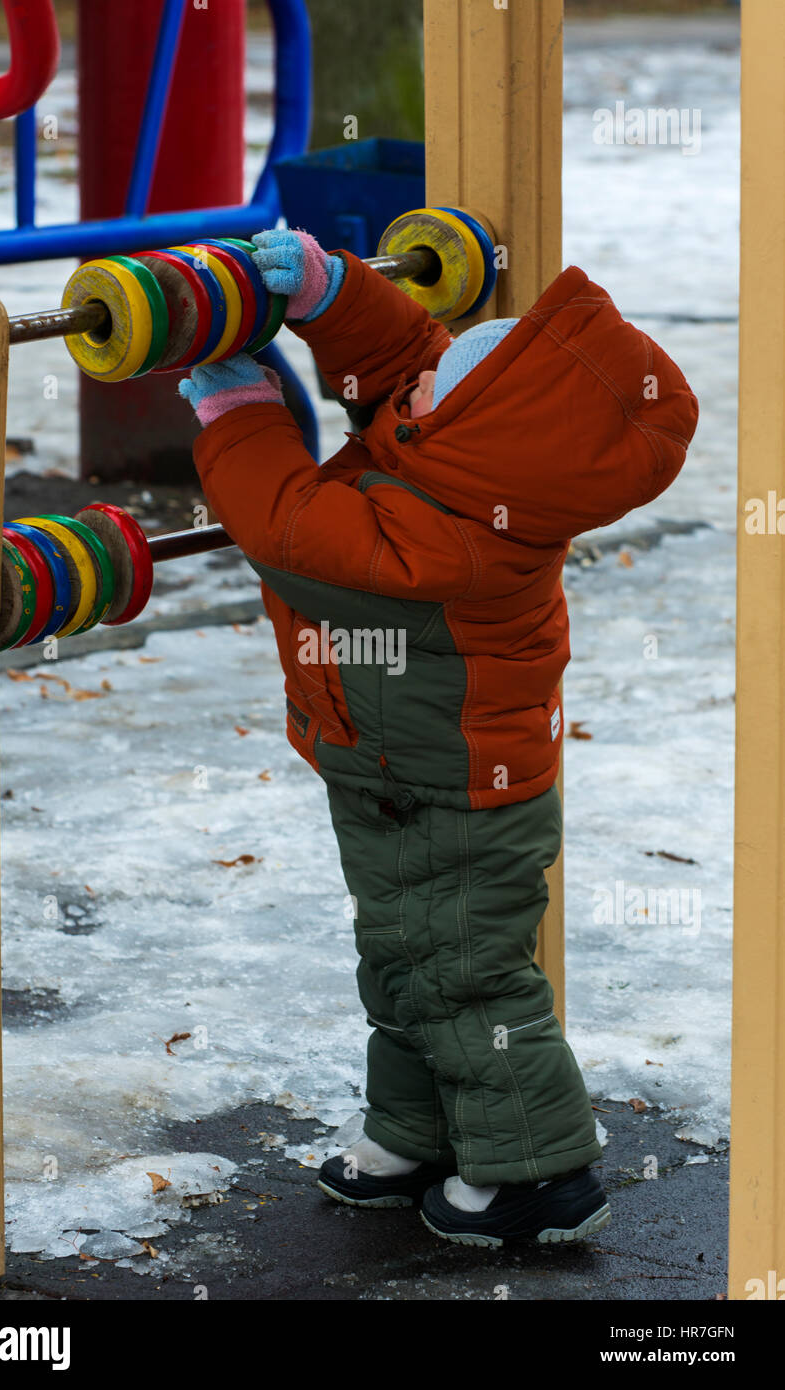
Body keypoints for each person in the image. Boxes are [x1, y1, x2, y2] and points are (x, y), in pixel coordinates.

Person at [178, 229, 699, 1247]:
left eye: (430, 398)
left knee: (463, 980)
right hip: (402, 778)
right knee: (404, 962)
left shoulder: (438, 543)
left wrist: (239, 417)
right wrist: (333, 294)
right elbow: (408, 365)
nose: (408, 393)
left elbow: (286, 528)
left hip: (447, 799)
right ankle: (413, 1132)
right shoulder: (479, 481)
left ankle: (535, 1175)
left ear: (465, 439)